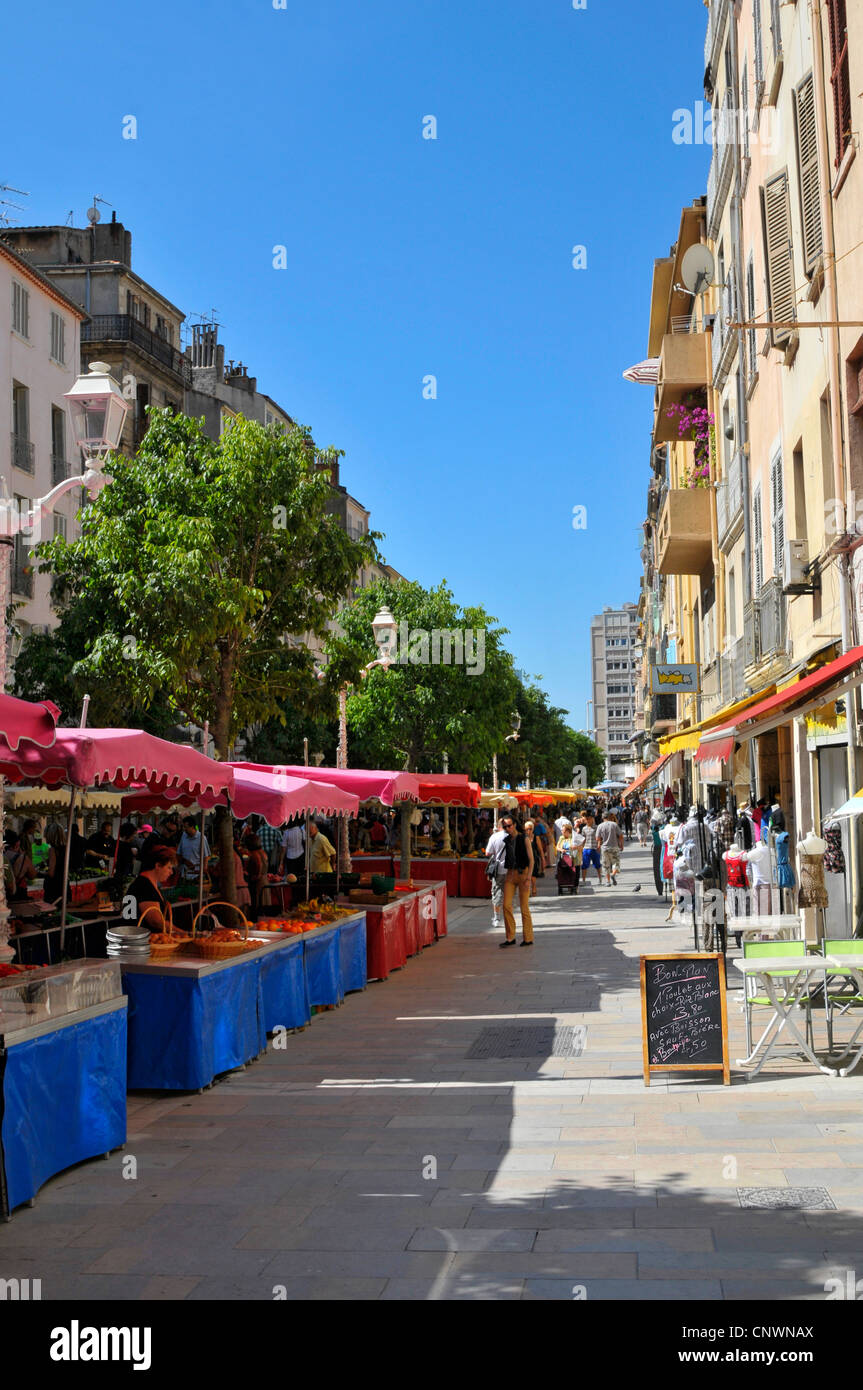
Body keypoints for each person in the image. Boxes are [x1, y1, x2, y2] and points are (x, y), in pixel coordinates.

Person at [500, 814, 534, 947]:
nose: (507, 828)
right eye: (505, 826)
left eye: (509, 825)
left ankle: (528, 938)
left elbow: (531, 860)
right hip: (510, 874)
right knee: (506, 905)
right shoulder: (507, 840)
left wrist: (528, 878)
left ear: (514, 824)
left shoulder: (523, 838)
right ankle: (510, 937)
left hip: (523, 873)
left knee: (524, 907)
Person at [127, 847, 178, 932]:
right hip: (141, 942)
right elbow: (156, 921)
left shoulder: (147, 883)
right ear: (157, 865)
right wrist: (182, 933)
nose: (171, 872)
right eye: (169, 867)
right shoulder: (144, 886)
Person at [485, 817, 509, 931]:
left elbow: (487, 852)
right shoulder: (512, 836)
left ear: (499, 826)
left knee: (497, 892)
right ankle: (509, 917)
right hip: (510, 870)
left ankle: (496, 918)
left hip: (499, 869)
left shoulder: (494, 837)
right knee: (509, 893)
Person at [243, 832, 269, 917]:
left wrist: (254, 876)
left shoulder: (254, 854)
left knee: (258, 905)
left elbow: (258, 866)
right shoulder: (263, 852)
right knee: (264, 905)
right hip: (265, 881)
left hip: (258, 883)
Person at [178, 816, 210, 882]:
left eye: (185, 827)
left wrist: (203, 871)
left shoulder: (201, 838)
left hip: (196, 876)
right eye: (183, 827)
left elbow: (206, 856)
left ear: (192, 826)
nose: (184, 829)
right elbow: (178, 853)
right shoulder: (183, 835)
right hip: (184, 875)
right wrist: (184, 861)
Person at [597, 812, 624, 886]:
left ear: (602, 818)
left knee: (606, 865)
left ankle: (608, 882)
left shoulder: (600, 826)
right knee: (616, 863)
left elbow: (598, 838)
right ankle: (613, 874)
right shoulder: (614, 824)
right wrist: (621, 845)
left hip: (605, 848)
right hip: (614, 847)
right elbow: (621, 836)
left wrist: (599, 845)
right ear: (609, 817)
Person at [581, 812, 602, 885]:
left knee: (597, 865)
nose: (588, 820)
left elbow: (599, 838)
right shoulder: (584, 828)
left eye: (589, 819)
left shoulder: (597, 827)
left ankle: (600, 879)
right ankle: (583, 881)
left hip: (594, 848)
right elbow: (583, 839)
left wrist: (599, 846)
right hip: (586, 849)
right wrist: (582, 848)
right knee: (584, 865)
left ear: (592, 819)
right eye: (586, 819)